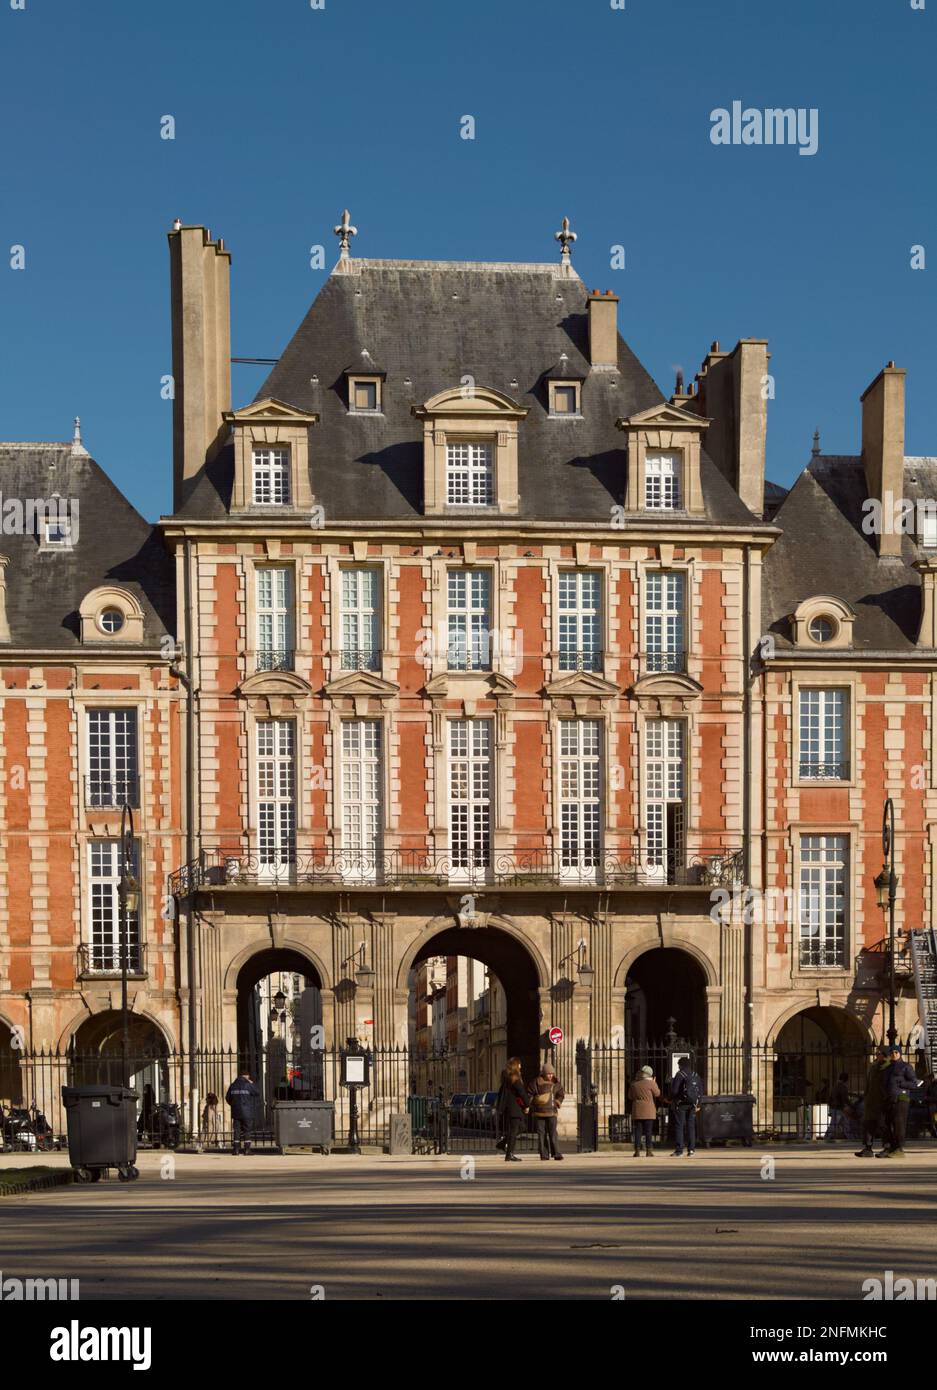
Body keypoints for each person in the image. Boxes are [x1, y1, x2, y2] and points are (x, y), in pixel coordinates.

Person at [877, 1044, 920, 1158]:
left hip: (901, 1099)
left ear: (900, 1053)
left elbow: (915, 1083)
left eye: (896, 1052)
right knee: (884, 1124)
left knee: (898, 1125)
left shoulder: (906, 1067)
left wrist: (902, 1084)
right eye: (892, 1053)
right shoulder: (888, 1068)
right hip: (888, 1099)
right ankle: (888, 1147)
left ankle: (899, 1149)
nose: (894, 1054)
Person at [855, 1045, 889, 1156]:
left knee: (883, 1125)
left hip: (882, 1102)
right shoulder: (873, 1067)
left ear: (884, 1055)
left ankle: (887, 1147)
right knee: (867, 1124)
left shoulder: (888, 1067)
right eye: (876, 1053)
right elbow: (868, 1084)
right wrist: (866, 1096)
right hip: (871, 1101)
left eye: (879, 1053)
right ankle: (868, 1148)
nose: (876, 1055)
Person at [528, 1063, 565, 1161]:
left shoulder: (556, 1083)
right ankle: (544, 1154)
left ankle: (556, 1153)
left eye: (552, 1073)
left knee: (553, 1133)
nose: (550, 1075)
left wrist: (557, 1101)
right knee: (541, 1134)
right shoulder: (536, 1082)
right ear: (543, 1073)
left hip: (552, 1112)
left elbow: (561, 1094)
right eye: (548, 1073)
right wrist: (533, 1103)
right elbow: (529, 1094)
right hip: (539, 1112)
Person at [496, 1057, 528, 1162]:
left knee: (521, 1127)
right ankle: (509, 1154)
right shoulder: (515, 1079)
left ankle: (502, 1143)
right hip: (515, 1108)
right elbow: (522, 1093)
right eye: (519, 1064)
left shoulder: (507, 1078)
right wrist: (527, 1105)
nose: (520, 1066)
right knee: (514, 1131)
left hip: (510, 1108)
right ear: (515, 1066)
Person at [670, 1056, 703, 1156]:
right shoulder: (695, 1075)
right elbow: (701, 1090)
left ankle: (679, 1150)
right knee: (691, 1126)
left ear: (680, 1065)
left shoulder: (679, 1075)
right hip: (693, 1104)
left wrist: (673, 1099)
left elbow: (674, 1091)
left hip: (681, 1104)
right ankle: (691, 1149)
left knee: (680, 1126)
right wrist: (699, 1103)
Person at [629, 1065, 661, 1158]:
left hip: (637, 1109)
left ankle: (637, 1151)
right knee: (648, 1131)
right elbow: (657, 1093)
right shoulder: (651, 1083)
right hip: (649, 1110)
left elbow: (630, 1096)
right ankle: (648, 1151)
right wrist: (654, 1083)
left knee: (638, 1131)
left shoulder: (634, 1083)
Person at [225, 1070, 260, 1155]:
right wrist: (251, 1083)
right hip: (247, 1112)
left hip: (236, 1111)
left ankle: (236, 1150)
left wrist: (234, 1105)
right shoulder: (248, 1084)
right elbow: (257, 1092)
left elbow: (227, 1098)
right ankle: (247, 1150)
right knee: (247, 1130)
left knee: (236, 1130)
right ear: (246, 1076)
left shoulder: (233, 1085)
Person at [824, 1072, 851, 1142]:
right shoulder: (842, 1087)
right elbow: (844, 1098)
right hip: (839, 1108)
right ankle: (827, 1137)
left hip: (835, 1107)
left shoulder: (835, 1086)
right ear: (846, 1079)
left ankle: (850, 1137)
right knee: (839, 1123)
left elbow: (830, 1098)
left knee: (840, 1123)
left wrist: (830, 1107)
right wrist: (851, 1105)